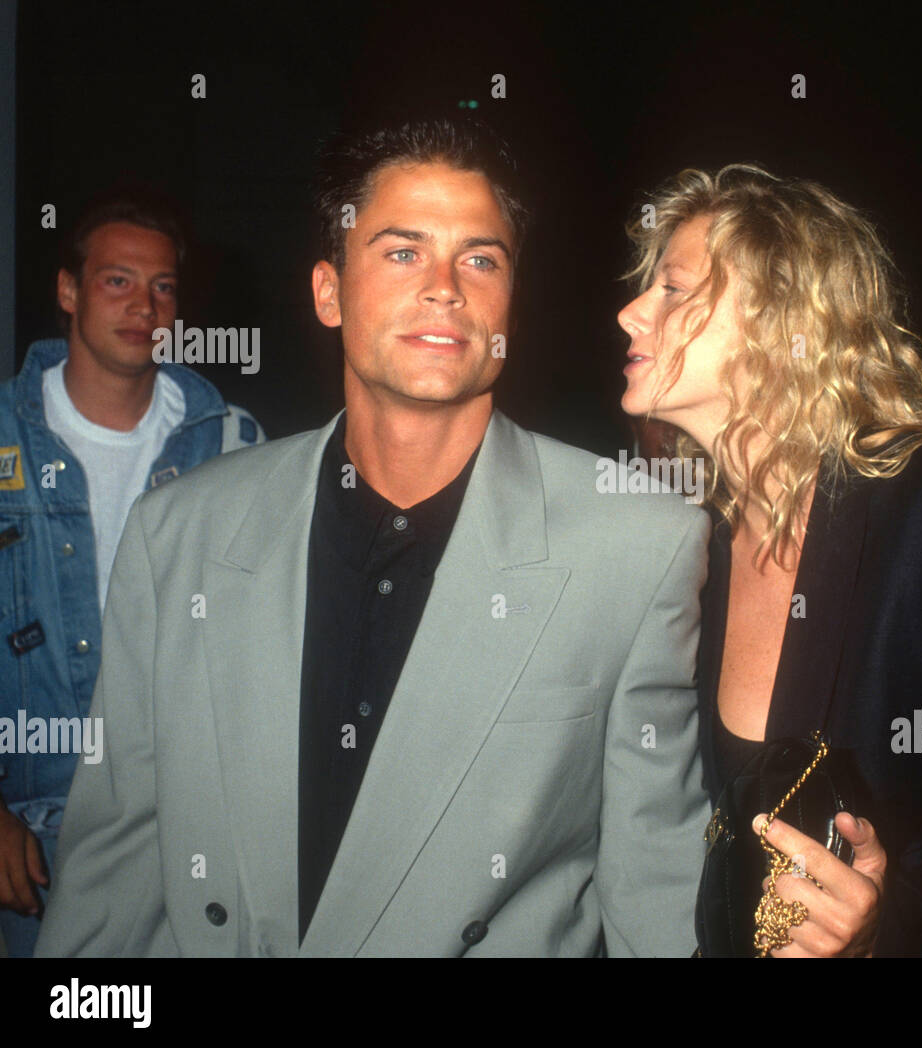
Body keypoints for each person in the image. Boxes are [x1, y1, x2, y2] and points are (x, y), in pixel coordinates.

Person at [34, 117, 711, 958]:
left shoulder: (637, 545)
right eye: (402, 251)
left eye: (481, 258)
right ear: (329, 291)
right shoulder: (177, 536)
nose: (446, 286)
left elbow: (658, 895)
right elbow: (110, 889)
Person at [618, 164, 922, 956]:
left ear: (781, 320)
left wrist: (894, 920)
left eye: (673, 288)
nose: (631, 312)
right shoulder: (685, 542)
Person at [0, 190, 264, 957]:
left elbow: (267, 653)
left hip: (182, 836)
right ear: (68, 290)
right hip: (29, 847)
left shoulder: (232, 445)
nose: (143, 305)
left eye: (163, 286)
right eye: (117, 280)